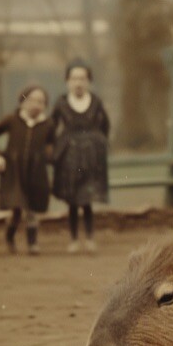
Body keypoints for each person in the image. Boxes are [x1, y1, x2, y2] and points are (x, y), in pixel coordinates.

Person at [0, 84, 56, 255]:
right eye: (32, 100)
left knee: (32, 210)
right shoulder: (12, 119)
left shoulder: (47, 124)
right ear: (22, 102)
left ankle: (32, 244)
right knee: (16, 209)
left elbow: (51, 145)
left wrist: (48, 154)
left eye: (41, 101)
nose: (36, 105)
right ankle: (10, 238)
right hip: (14, 171)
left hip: (35, 173)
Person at [51, 59, 110, 253]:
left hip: (91, 156)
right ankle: (74, 239)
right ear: (68, 81)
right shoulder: (61, 102)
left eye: (82, 78)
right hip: (69, 156)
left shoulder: (95, 101)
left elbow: (105, 125)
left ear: (88, 81)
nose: (78, 83)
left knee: (87, 198)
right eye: (74, 78)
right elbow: (52, 127)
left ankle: (90, 237)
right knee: (73, 200)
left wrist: (98, 142)